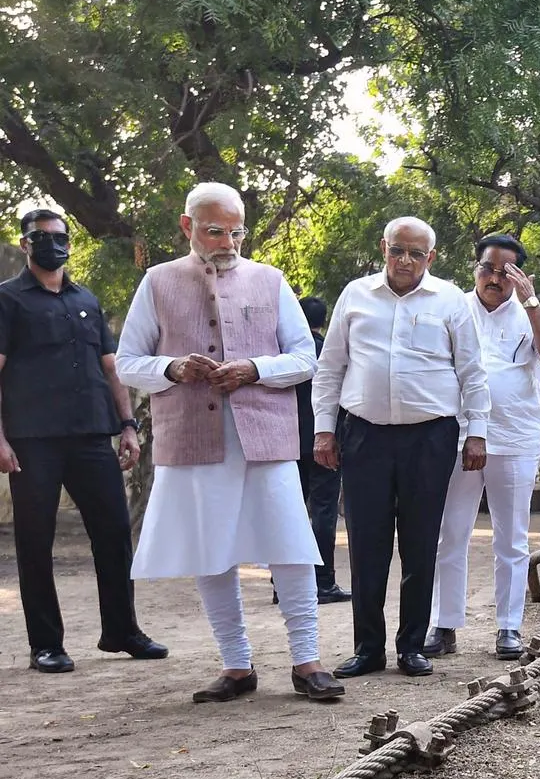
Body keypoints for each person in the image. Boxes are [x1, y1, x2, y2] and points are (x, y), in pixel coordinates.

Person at [115, 182, 343, 705]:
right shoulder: (158, 281)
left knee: (289, 544)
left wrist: (254, 369)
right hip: (194, 437)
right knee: (210, 550)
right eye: (216, 230)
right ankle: (236, 665)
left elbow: (306, 357)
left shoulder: (270, 279)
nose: (228, 242)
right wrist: (171, 367)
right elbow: (128, 362)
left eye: (236, 231)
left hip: (264, 433)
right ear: (187, 226)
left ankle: (307, 661)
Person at [310, 215, 490, 678]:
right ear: (383, 248)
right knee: (367, 544)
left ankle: (412, 645)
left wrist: (476, 432)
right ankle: (368, 649)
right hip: (364, 434)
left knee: (420, 542)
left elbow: (472, 370)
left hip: (430, 436)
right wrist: (324, 429)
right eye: (397, 250)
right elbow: (330, 366)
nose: (405, 260)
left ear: (430, 257)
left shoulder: (450, 299)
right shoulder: (356, 294)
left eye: (415, 253)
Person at [0, 208, 167, 672]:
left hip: (92, 435)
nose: (51, 243)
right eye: (41, 237)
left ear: (70, 242)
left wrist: (128, 425)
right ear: (25, 243)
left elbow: (111, 369)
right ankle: (46, 645)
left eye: (58, 236)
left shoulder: (86, 300)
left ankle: (121, 631)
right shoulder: (8, 300)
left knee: (114, 534)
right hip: (34, 440)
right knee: (36, 541)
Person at [425, 233, 540, 661]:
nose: (494, 277)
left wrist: (532, 303)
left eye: (505, 271)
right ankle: (444, 624)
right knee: (450, 534)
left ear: (519, 277)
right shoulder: (453, 309)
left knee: (511, 540)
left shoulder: (529, 314)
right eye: (487, 268)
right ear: (474, 270)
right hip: (460, 439)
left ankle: (509, 627)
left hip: (515, 441)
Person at [296, 297, 350, 605]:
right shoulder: (327, 352)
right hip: (324, 441)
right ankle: (323, 581)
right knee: (324, 511)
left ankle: (284, 583)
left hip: (290, 442)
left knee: (292, 512)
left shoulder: (285, 353)